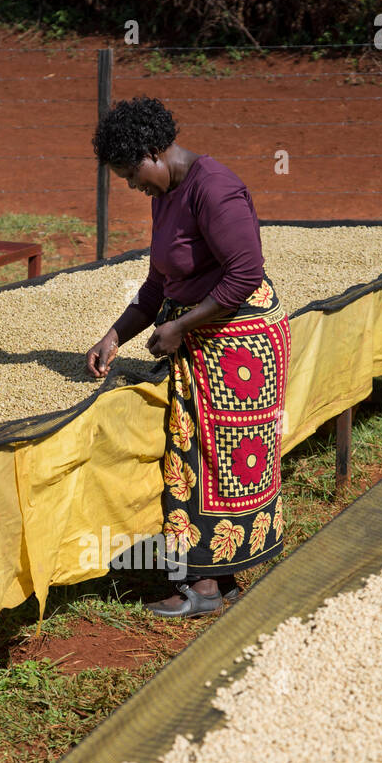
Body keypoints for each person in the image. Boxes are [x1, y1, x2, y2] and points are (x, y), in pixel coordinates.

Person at [86, 96, 290, 617]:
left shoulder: (213, 189)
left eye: (132, 174)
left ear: (155, 151)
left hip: (236, 345)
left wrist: (178, 326)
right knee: (201, 457)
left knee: (208, 459)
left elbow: (245, 274)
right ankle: (218, 577)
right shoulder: (168, 191)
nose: (132, 186)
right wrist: (115, 335)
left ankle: (204, 586)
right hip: (205, 336)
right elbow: (160, 280)